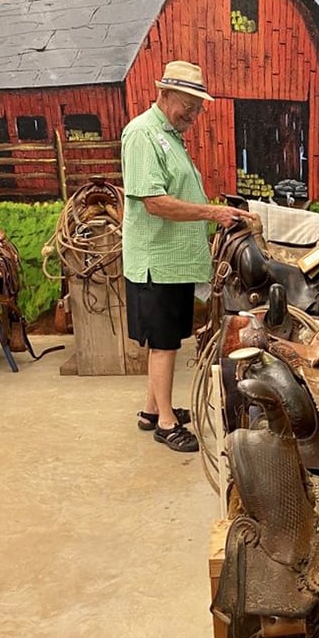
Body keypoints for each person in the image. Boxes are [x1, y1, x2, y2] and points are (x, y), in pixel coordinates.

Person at [121, 60, 246, 452]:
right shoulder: (142, 134)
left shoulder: (169, 136)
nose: (192, 113)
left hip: (171, 260)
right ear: (165, 94)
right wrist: (212, 213)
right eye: (187, 104)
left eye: (197, 106)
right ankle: (166, 423)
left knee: (166, 339)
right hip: (156, 260)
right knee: (164, 344)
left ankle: (150, 409)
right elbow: (155, 203)